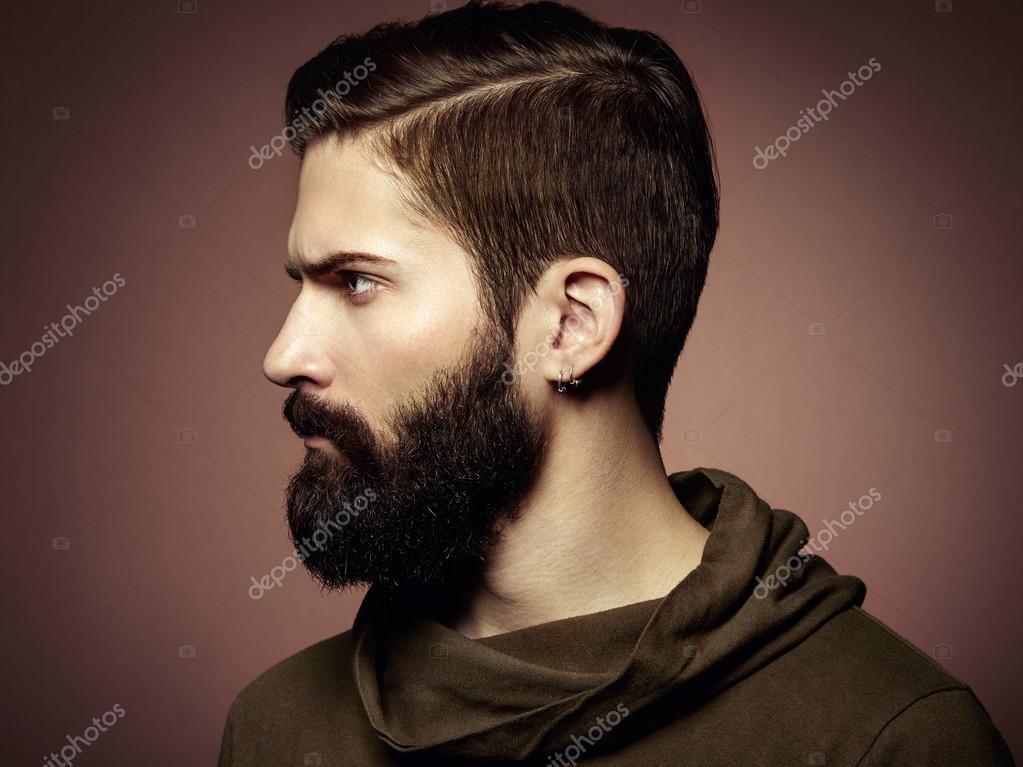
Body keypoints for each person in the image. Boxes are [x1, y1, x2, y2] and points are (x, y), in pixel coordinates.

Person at [219, 1, 1014, 764]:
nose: (282, 354)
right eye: (300, 283)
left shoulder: (888, 738)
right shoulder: (281, 727)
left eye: (355, 281)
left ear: (569, 325)